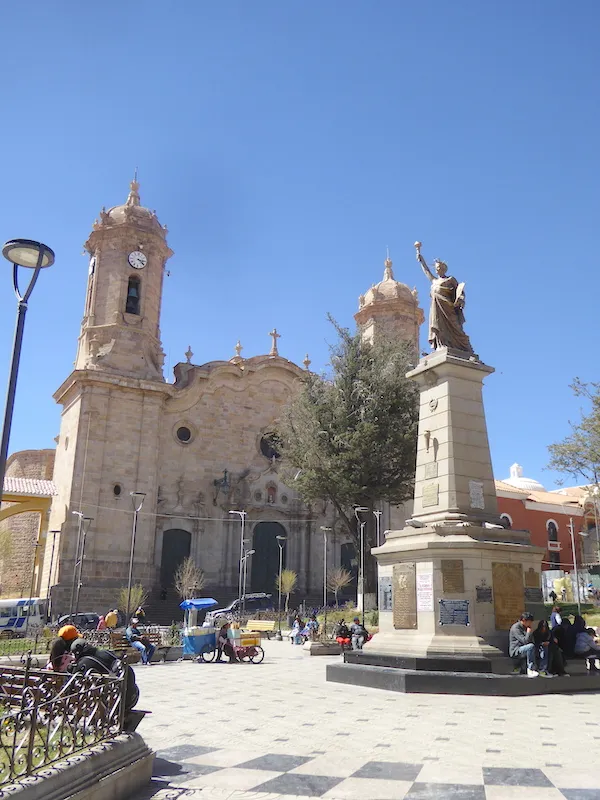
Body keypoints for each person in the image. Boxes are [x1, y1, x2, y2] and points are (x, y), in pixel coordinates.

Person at [416, 246, 473, 354]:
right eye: (436, 268)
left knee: (455, 327)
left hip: (448, 307)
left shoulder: (450, 279)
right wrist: (421, 260)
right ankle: (441, 345)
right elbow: (427, 271)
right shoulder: (434, 281)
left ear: (443, 269)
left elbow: (459, 291)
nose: (437, 269)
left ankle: (464, 347)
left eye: (438, 267)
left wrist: (461, 299)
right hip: (436, 308)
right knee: (438, 326)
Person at [69, 639, 139, 714]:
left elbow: (71, 684)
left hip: (110, 705)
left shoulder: (83, 663)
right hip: (131, 698)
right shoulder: (106, 653)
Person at [509, 612, 540, 677]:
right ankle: (530, 669)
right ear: (524, 620)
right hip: (516, 650)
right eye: (529, 622)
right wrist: (528, 632)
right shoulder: (516, 628)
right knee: (531, 646)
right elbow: (525, 641)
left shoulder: (526, 627)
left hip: (524, 648)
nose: (530, 624)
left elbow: (530, 640)